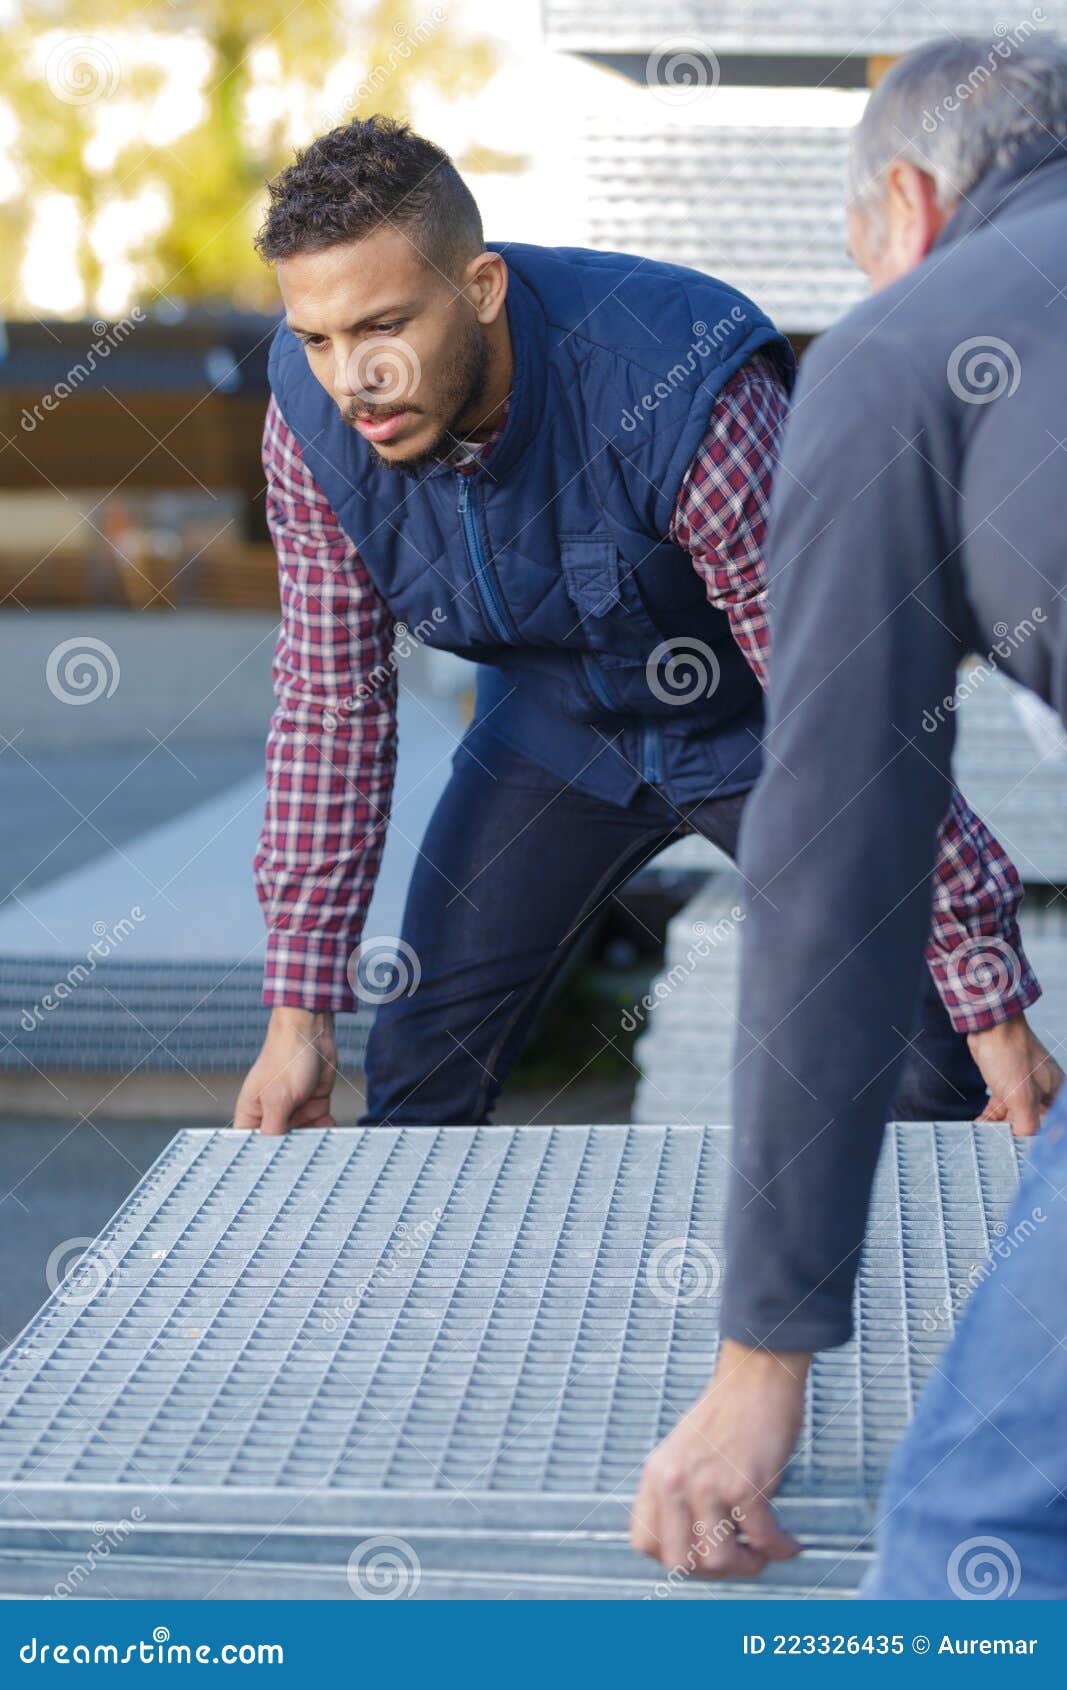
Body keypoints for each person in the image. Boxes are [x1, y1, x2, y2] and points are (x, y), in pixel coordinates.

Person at [236, 114, 1042, 1142]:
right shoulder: (312, 426)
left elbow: (843, 703)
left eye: (384, 326)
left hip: (754, 719)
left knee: (944, 1058)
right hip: (554, 729)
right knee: (420, 1063)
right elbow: (328, 704)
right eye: (317, 338)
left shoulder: (679, 392)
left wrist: (987, 994)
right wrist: (297, 1008)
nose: (354, 379)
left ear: (479, 290)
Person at [630, 34, 1067, 1597]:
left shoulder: (902, 352)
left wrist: (764, 1354)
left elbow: (835, 879)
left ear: (905, 202)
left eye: (855, 256)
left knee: (982, 1539)